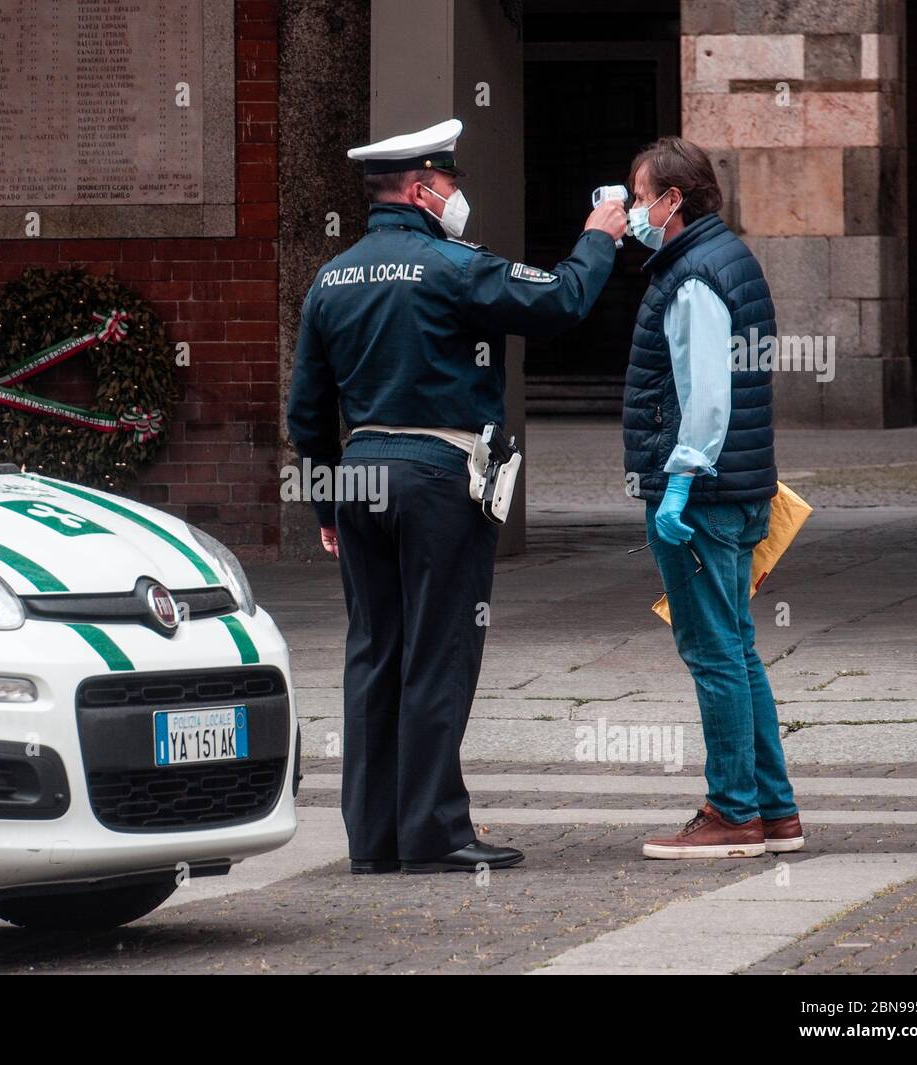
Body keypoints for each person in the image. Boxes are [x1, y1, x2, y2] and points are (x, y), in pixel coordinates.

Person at [286, 118, 626, 873]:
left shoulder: (330, 279)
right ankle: (435, 832)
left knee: (374, 652)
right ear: (419, 191)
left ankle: (373, 839)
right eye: (451, 184)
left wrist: (324, 507)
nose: (458, 195)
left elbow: (306, 411)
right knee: (438, 652)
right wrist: (598, 235)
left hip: (359, 474)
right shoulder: (451, 266)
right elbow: (559, 302)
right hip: (437, 477)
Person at [620, 135, 804, 859]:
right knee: (738, 647)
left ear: (674, 200)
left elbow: (706, 398)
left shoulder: (692, 275)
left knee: (714, 650)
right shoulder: (725, 256)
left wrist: (679, 482)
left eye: (640, 198)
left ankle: (733, 812)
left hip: (702, 493)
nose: (634, 210)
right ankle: (774, 808)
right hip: (734, 487)